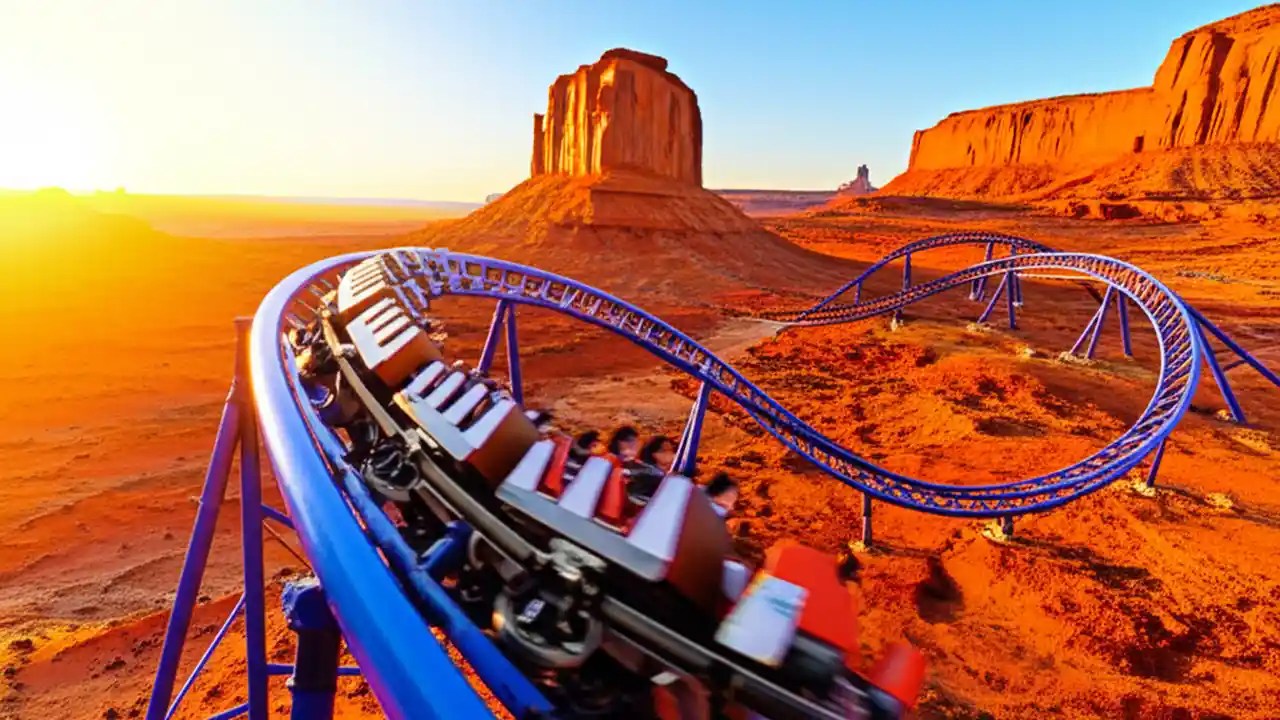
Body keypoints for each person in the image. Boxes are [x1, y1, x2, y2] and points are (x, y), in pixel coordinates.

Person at [626, 435, 675, 504]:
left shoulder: (665, 473)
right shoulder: (645, 471)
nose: (669, 454)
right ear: (653, 453)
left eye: (670, 450)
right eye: (663, 450)